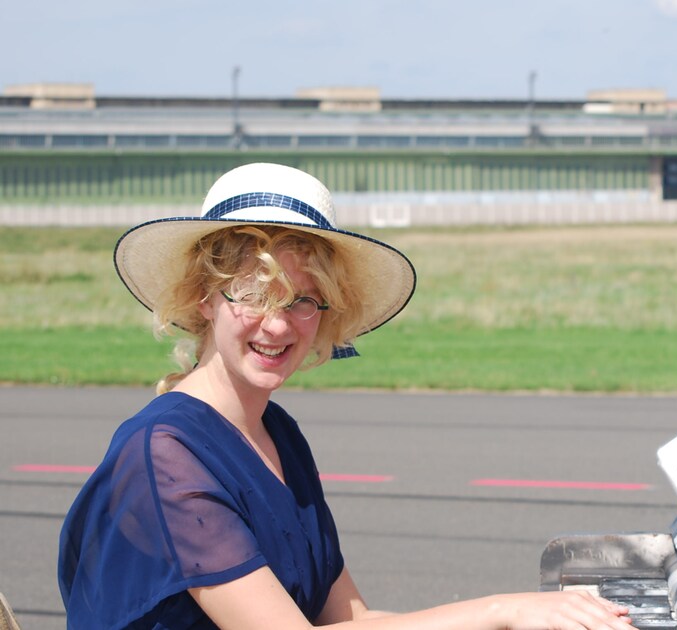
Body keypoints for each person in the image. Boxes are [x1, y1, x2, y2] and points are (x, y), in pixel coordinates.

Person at [58, 163, 635, 630]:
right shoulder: (165, 456)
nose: (278, 326)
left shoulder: (277, 432)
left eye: (302, 301)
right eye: (253, 295)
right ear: (204, 297)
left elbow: (357, 619)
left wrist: (532, 616)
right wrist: (501, 611)